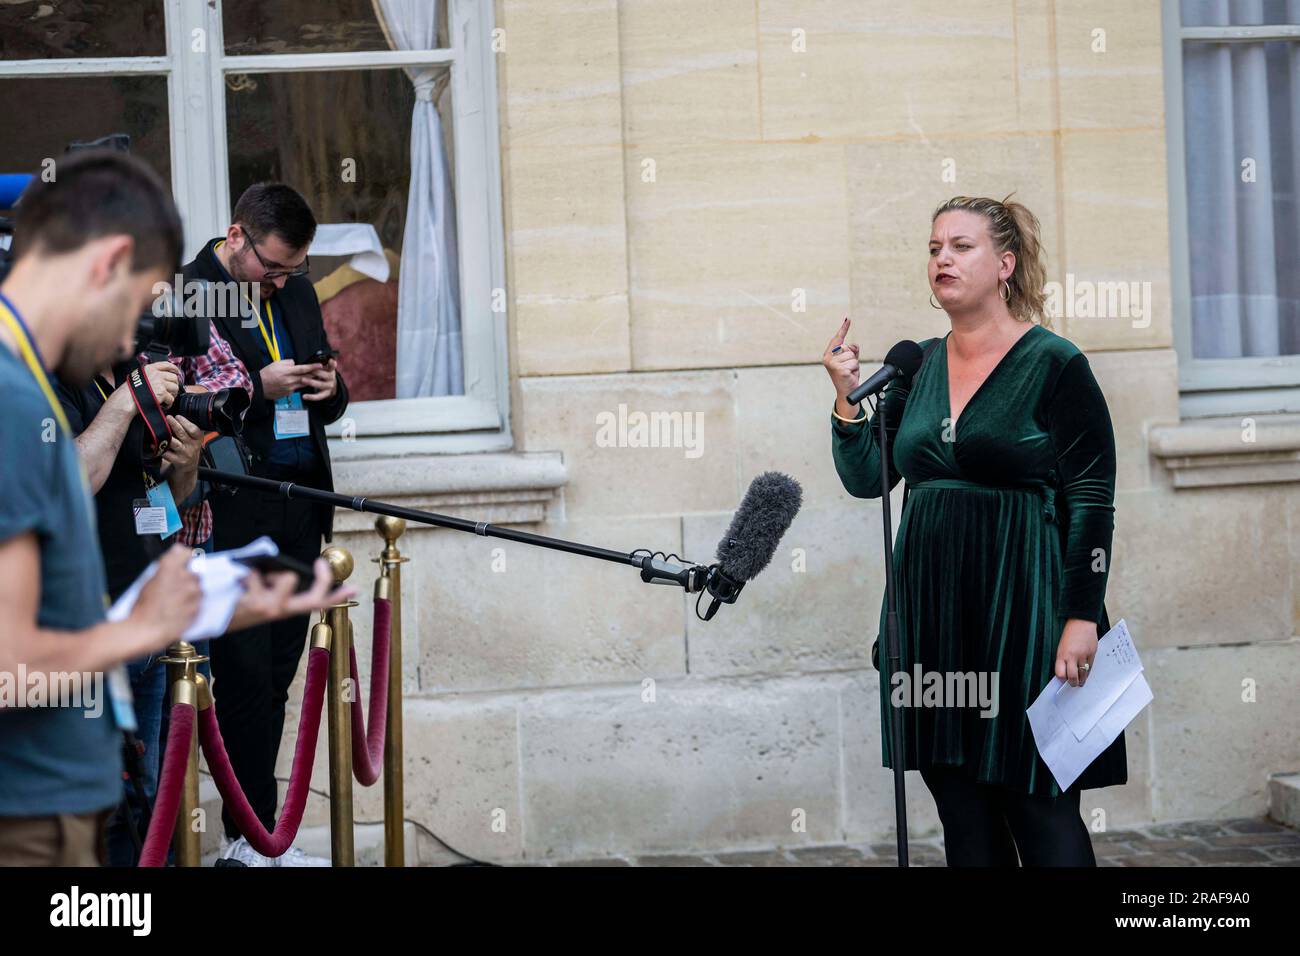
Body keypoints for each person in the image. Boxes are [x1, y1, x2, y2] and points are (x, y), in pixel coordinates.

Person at [0, 149, 354, 867]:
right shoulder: (36, 379)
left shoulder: (109, 369)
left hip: (159, 589)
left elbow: (165, 486)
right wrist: (155, 402)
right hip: (88, 632)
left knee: (151, 793)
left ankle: (239, 847)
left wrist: (183, 457)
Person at [823, 194, 1125, 867]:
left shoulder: (1054, 363)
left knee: (1039, 806)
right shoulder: (916, 366)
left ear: (1006, 264)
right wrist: (847, 399)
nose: (942, 259)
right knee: (962, 814)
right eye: (934, 248)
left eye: (961, 246)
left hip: (1028, 614)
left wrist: (1082, 617)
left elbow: (1092, 498)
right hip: (934, 618)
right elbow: (868, 476)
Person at [182, 182, 348, 866]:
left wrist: (329, 389)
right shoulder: (190, 293)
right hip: (234, 507)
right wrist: (260, 391)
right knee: (244, 677)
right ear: (236, 236)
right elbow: (183, 406)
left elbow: (331, 406)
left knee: (278, 673)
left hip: (300, 502)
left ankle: (259, 839)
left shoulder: (300, 293)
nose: (282, 282)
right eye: (272, 268)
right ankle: (243, 843)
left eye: (295, 271)